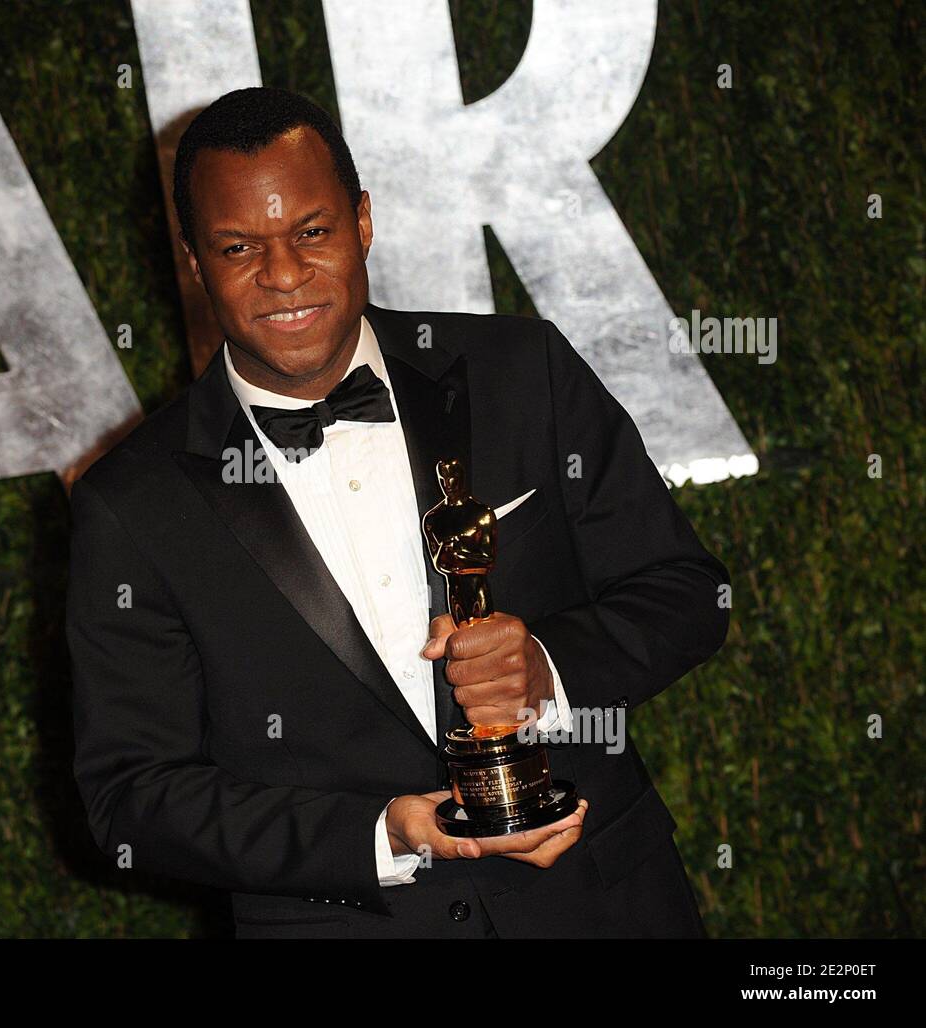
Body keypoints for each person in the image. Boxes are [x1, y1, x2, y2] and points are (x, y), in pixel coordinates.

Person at [65, 87, 728, 938]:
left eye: (312, 231)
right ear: (195, 262)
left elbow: (686, 592)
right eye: (239, 247)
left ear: (363, 221)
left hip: (605, 906)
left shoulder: (522, 373)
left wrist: (547, 670)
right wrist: (381, 835)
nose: (283, 275)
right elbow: (133, 796)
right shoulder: (134, 502)